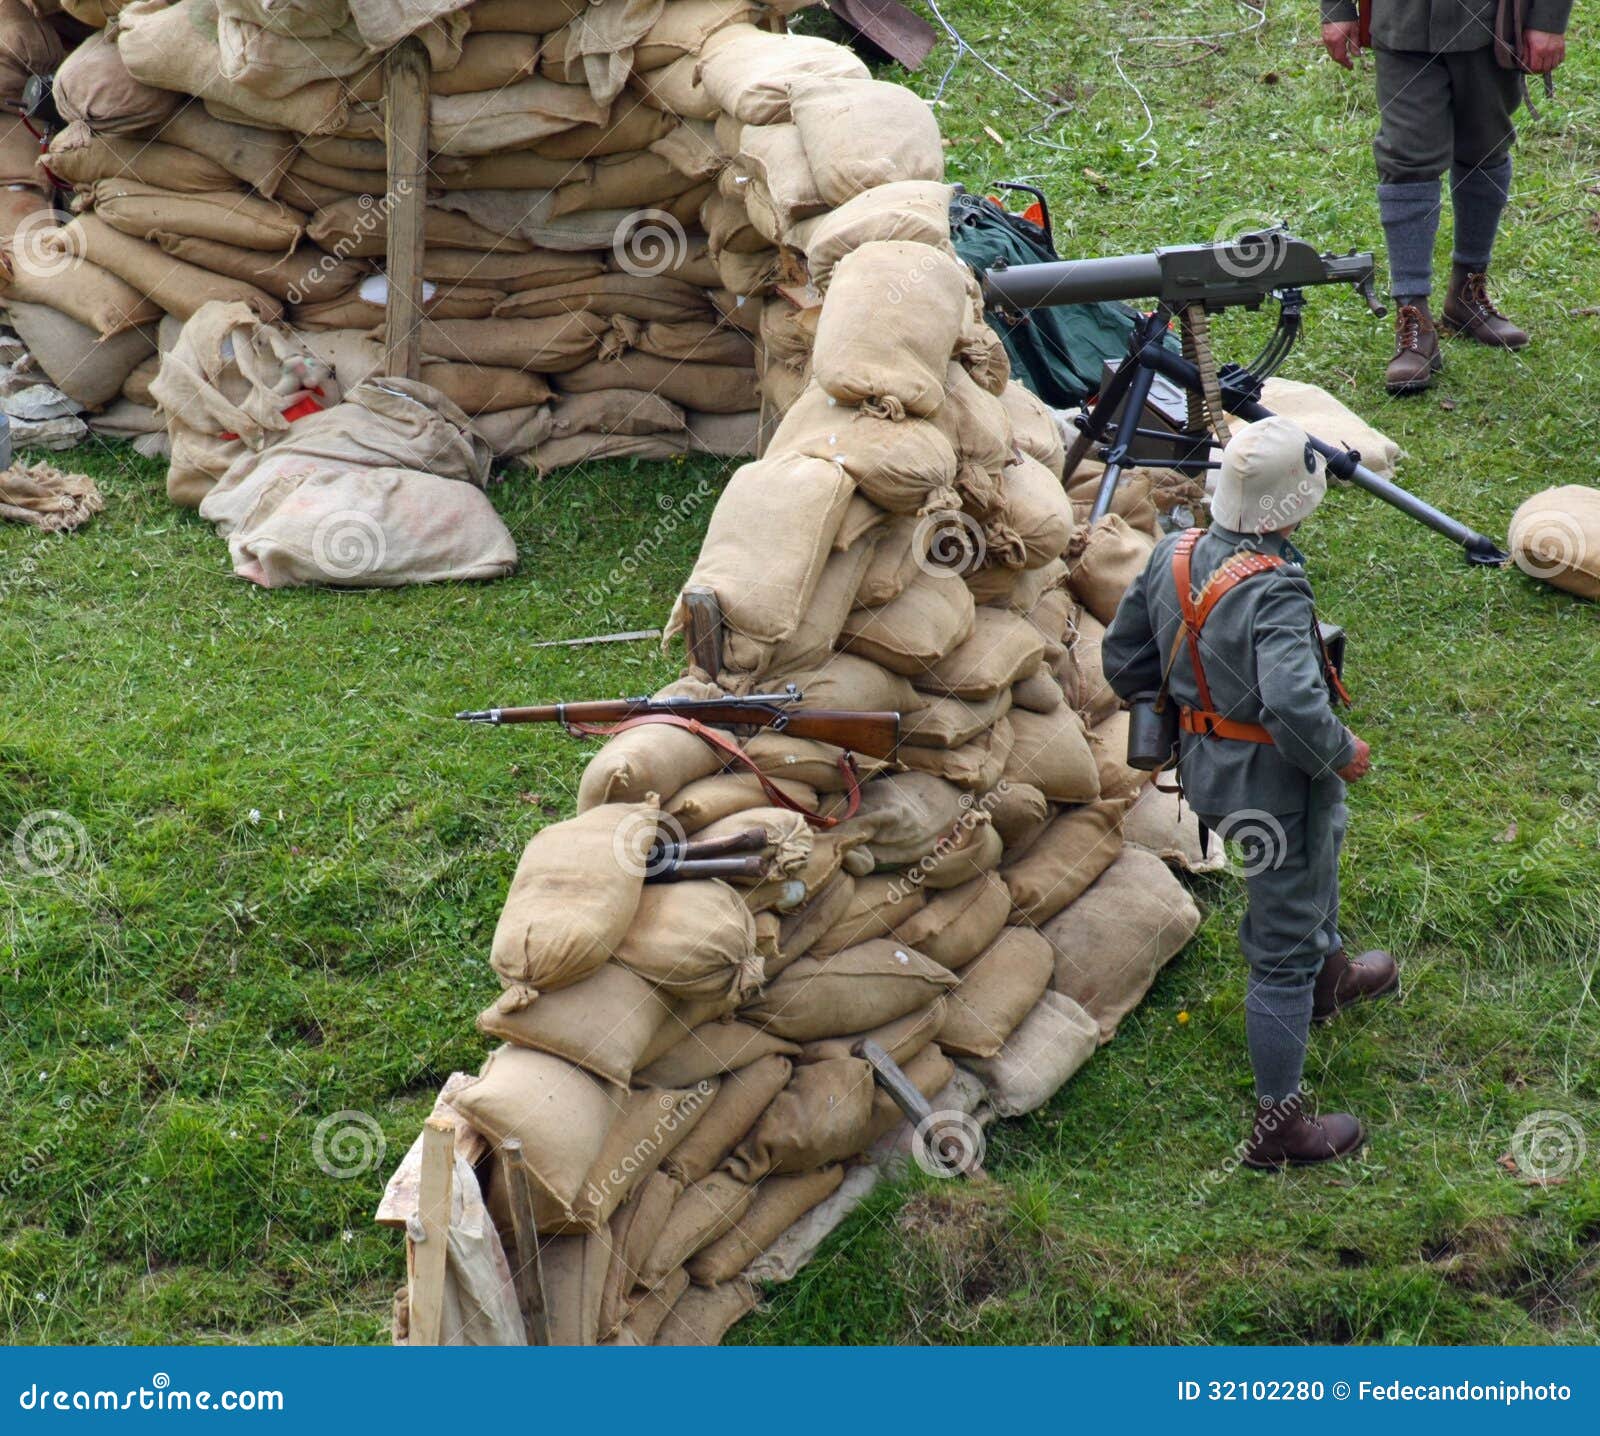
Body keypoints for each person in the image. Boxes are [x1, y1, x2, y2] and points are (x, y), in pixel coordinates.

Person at [1102, 417, 1399, 1168]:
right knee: (1281, 940)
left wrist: (1185, 713)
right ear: (1290, 509)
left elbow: (1122, 658)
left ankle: (1328, 978)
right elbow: (1296, 707)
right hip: (1275, 784)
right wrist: (1343, 751)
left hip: (1206, 771)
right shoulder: (1272, 589)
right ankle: (1279, 1126)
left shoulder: (1172, 554)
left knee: (1310, 867)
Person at [1318, 0, 1572, 393]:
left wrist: (1549, 20)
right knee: (1405, 157)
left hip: (1491, 24)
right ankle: (1413, 316)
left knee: (1485, 148)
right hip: (1402, 23)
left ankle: (1467, 294)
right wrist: (1335, 9)